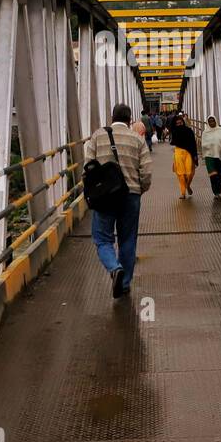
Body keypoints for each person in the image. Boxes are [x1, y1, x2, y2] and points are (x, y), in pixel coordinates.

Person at [85, 103, 153, 299]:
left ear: (112, 116)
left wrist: (91, 192)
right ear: (130, 119)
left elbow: (88, 167)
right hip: (130, 195)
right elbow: (146, 171)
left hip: (104, 197)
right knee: (128, 239)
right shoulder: (137, 139)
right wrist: (140, 190)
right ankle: (124, 284)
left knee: (102, 239)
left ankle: (114, 268)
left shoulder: (97, 136)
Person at [200, 115, 221, 197]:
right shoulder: (205, 132)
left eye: (213, 121)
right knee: (213, 176)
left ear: (216, 121)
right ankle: (216, 192)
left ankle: (218, 188)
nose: (211, 123)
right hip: (210, 157)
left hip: (220, 156)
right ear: (208, 123)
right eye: (210, 121)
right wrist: (209, 147)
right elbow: (203, 145)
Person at [169, 112, 198, 199]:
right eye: (177, 123)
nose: (179, 124)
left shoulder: (189, 131)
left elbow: (193, 143)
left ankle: (188, 185)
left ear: (183, 122)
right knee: (181, 174)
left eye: (180, 123)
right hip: (178, 152)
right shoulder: (174, 131)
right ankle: (183, 193)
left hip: (188, 152)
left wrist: (195, 155)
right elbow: (173, 142)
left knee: (189, 173)